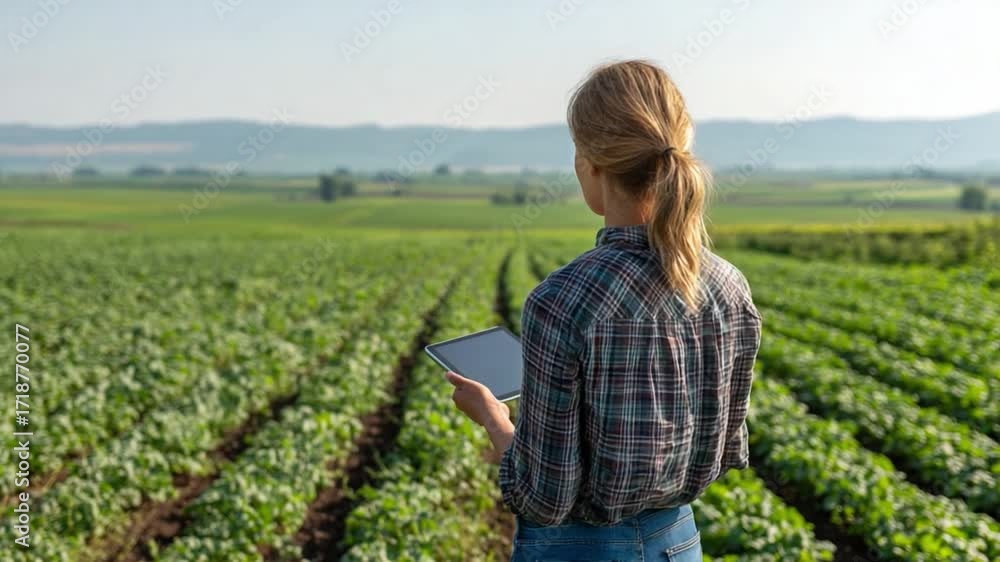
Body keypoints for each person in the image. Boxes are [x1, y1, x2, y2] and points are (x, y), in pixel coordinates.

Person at [444, 59, 762, 561]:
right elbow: (728, 450)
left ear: (590, 164)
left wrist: (493, 417)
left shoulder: (562, 300)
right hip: (679, 543)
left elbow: (542, 499)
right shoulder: (730, 287)